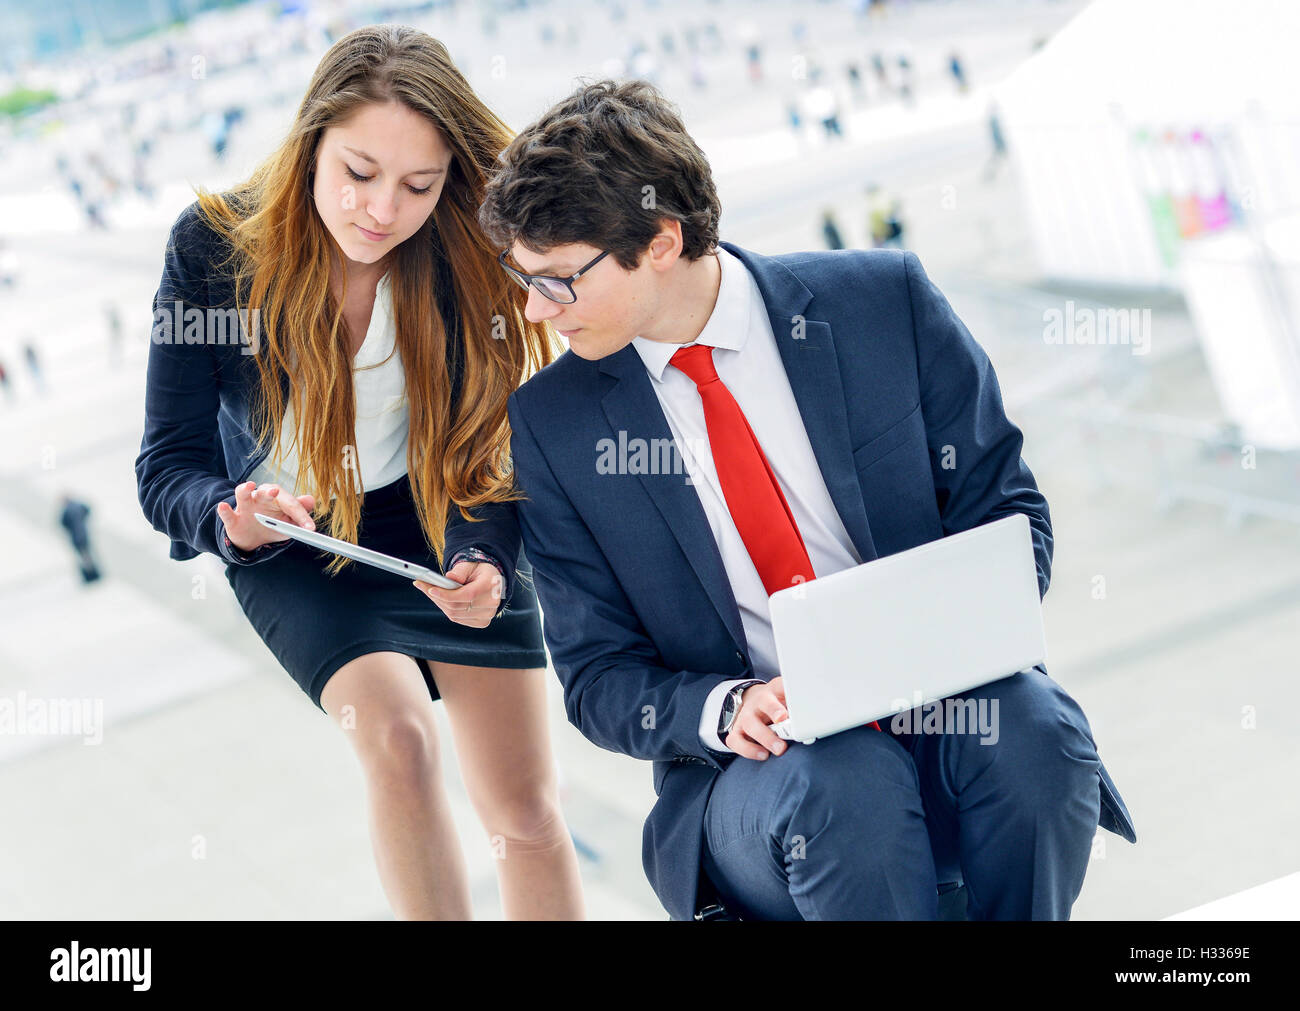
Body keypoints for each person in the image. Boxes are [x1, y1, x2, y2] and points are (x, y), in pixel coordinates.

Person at [479, 80, 1137, 921]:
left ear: (659, 241)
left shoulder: (881, 303)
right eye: (523, 278)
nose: (537, 311)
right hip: (756, 773)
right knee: (845, 788)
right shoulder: (555, 425)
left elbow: (1007, 509)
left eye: (559, 280)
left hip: (940, 701)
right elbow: (598, 678)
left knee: (1036, 735)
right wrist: (727, 708)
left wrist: (933, 640)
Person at [135, 25, 584, 921]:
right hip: (295, 541)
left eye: (419, 186)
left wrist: (486, 558)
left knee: (526, 813)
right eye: (358, 173)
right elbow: (165, 466)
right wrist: (231, 515)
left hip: (441, 521)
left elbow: (477, 457)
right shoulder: (214, 251)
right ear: (310, 144)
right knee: (399, 739)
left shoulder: (461, 257)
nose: (381, 210)